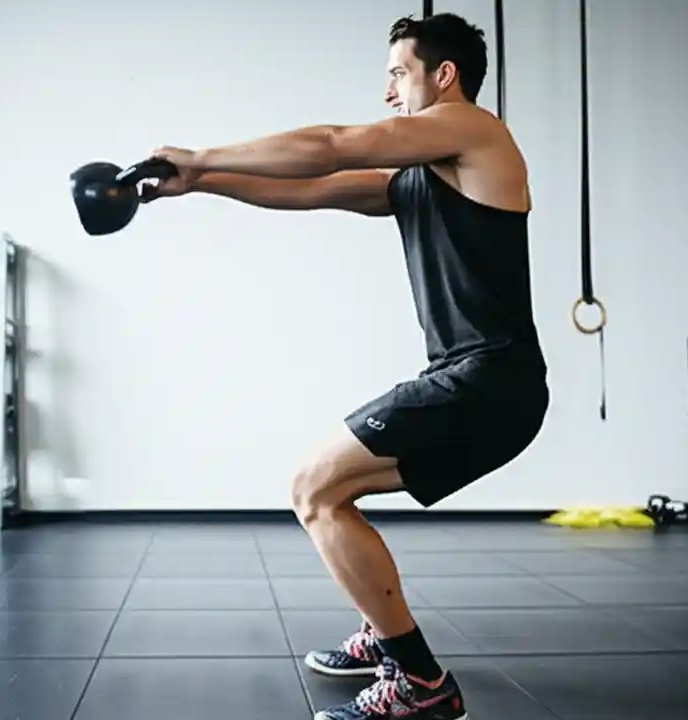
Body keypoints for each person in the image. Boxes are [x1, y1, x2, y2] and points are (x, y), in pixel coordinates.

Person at [138, 13, 548, 720]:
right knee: (331, 493)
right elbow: (312, 187)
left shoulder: (478, 131)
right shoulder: (420, 176)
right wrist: (201, 183)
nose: (389, 91)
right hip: (487, 385)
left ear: (442, 75)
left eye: (398, 73)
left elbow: (331, 145)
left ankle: (421, 683)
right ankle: (389, 639)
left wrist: (201, 154)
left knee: (312, 485)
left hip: (488, 378)